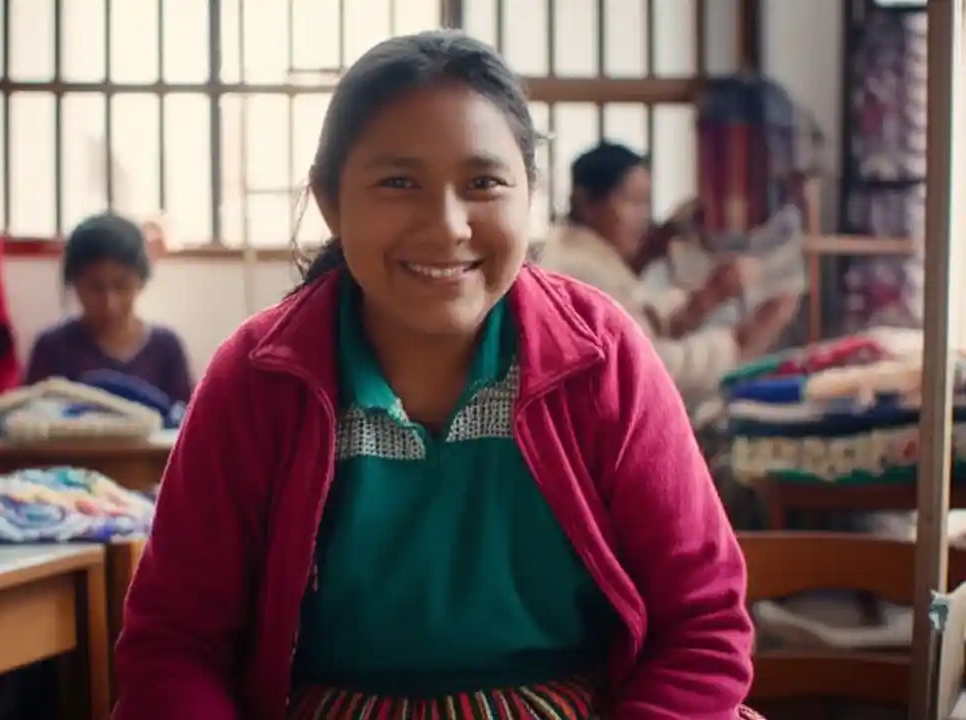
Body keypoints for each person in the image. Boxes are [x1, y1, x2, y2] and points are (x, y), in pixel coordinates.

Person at [114, 31, 757, 720]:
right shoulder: (257, 377)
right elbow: (174, 647)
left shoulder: (601, 358)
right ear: (331, 201)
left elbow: (702, 625)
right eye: (398, 183)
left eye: (483, 184)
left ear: (529, 196)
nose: (447, 226)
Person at [540, 143, 799, 409]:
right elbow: (639, 366)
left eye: (646, 203)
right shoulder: (577, 269)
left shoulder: (591, 258)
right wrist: (737, 344)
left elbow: (641, 321)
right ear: (587, 203)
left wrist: (709, 297)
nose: (643, 217)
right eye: (632, 201)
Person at [23, 212, 193, 406]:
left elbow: (188, 424)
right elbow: (28, 423)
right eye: (95, 288)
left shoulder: (166, 348)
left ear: (141, 282)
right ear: (75, 284)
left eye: (121, 286)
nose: (109, 303)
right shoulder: (52, 347)